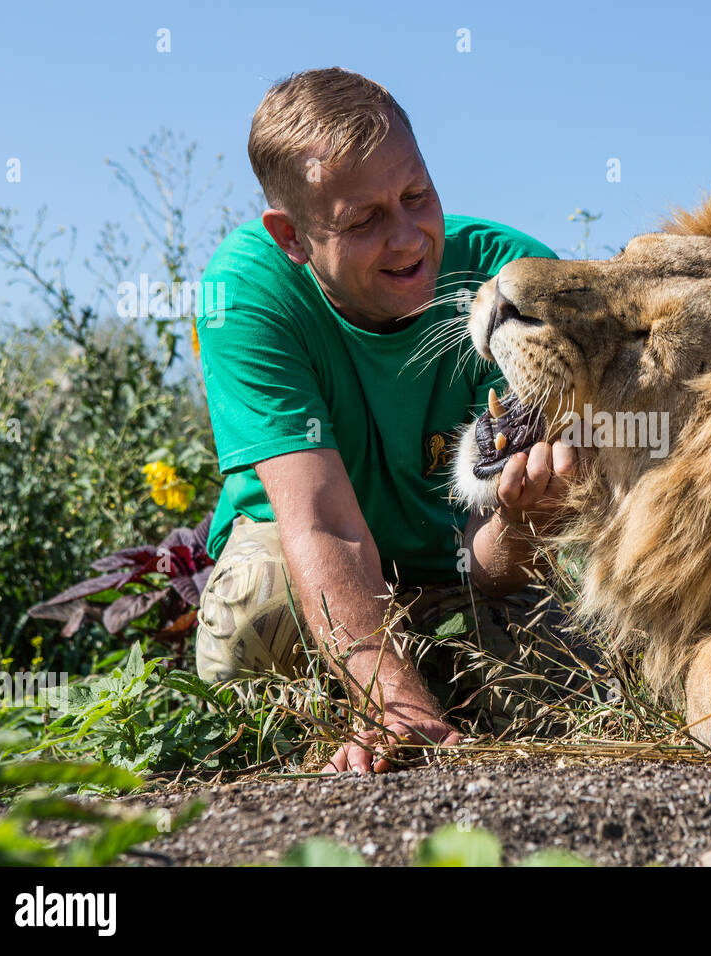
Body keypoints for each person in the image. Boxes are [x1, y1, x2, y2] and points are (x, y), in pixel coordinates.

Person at [193, 67, 580, 774]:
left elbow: (488, 565)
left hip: (454, 577)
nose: (407, 239)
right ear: (292, 237)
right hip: (307, 563)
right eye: (363, 219)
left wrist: (525, 521)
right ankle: (348, 707)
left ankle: (423, 690)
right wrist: (393, 701)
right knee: (254, 616)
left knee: (571, 682)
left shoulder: (513, 284)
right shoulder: (244, 291)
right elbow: (322, 524)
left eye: (417, 197)